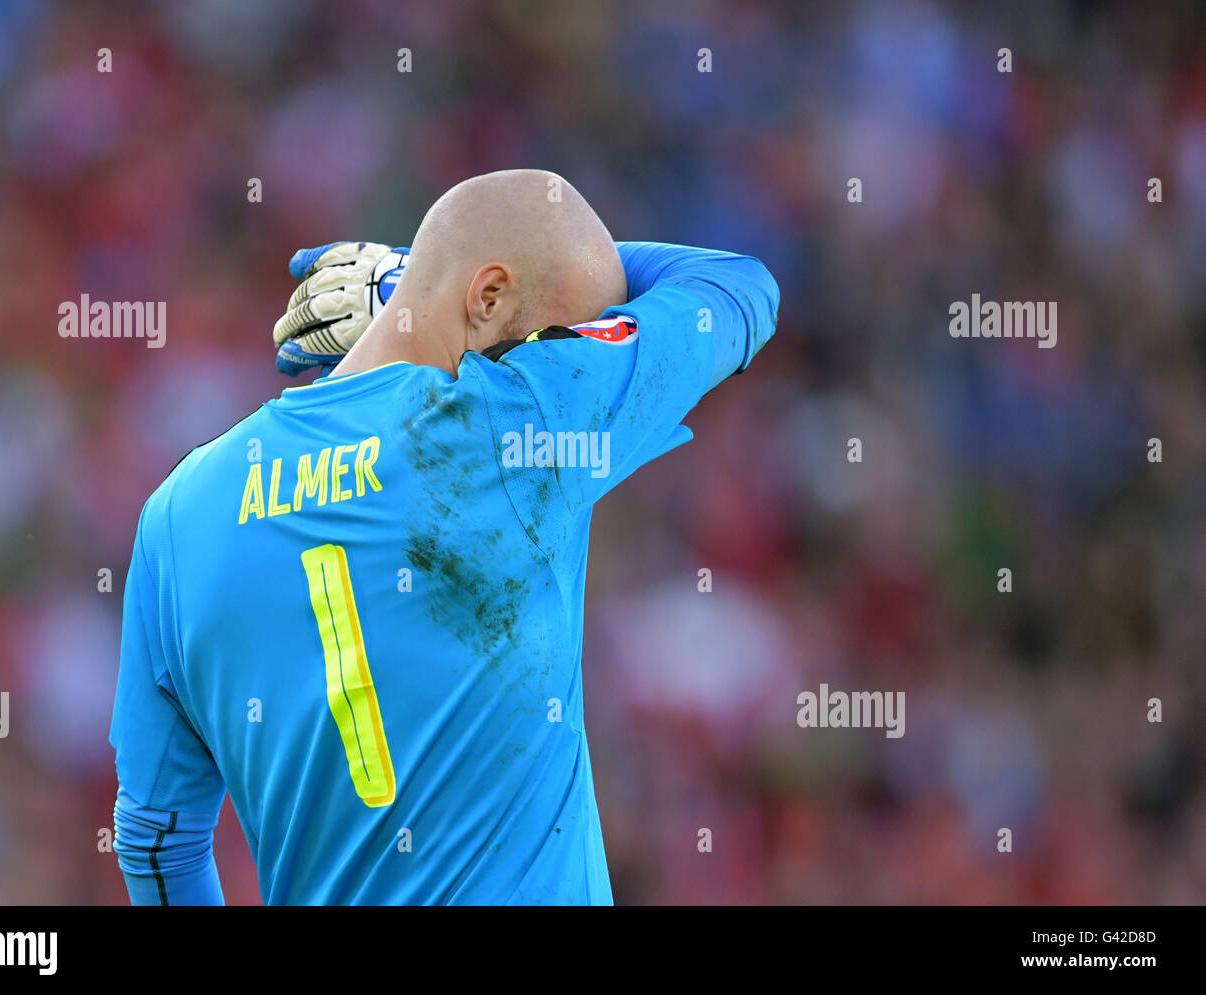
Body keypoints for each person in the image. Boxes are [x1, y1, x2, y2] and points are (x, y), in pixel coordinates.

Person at [109, 168, 780, 905]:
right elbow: (735, 286)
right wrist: (411, 267)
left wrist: (429, 273)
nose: (572, 353)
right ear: (487, 296)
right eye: (563, 333)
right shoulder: (518, 418)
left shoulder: (176, 513)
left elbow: (157, 841)